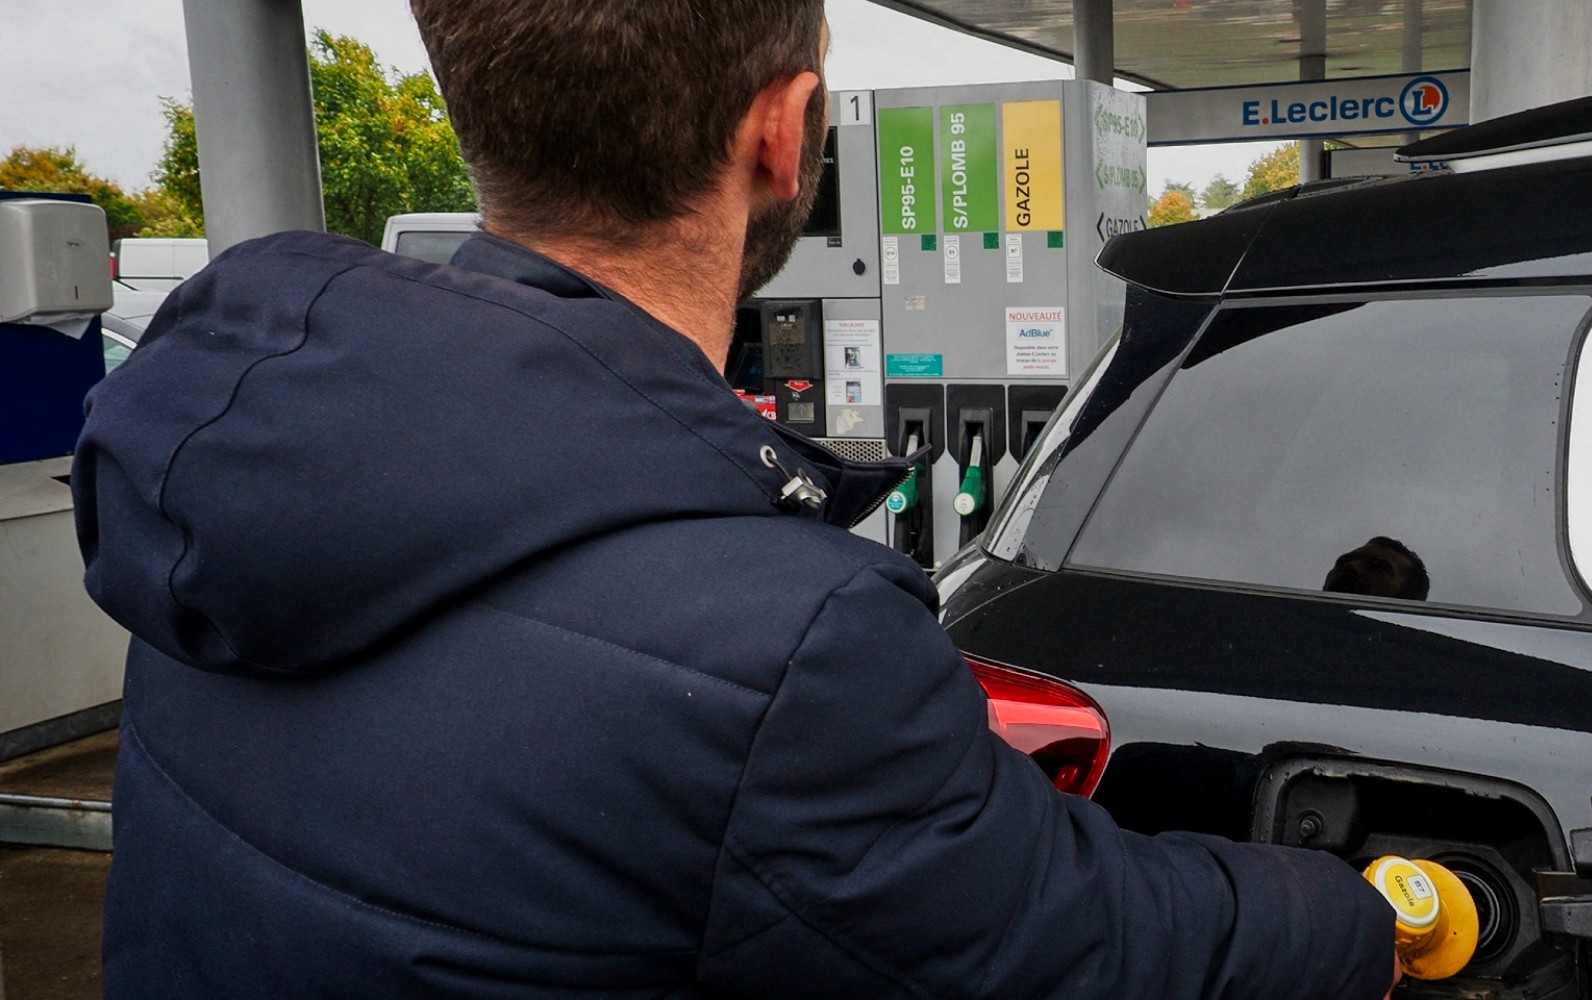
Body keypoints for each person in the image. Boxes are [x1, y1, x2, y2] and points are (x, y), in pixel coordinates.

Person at [70, 2, 1398, 997]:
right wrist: (1368, 919)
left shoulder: (224, 466)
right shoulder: (783, 644)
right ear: (785, 128)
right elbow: (1086, 951)